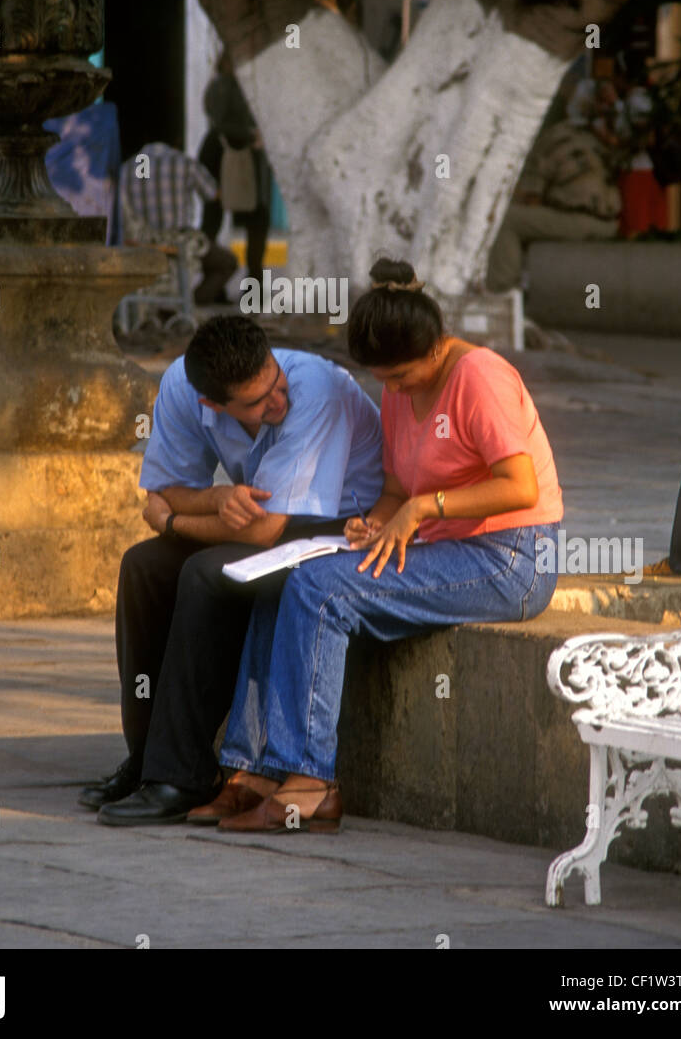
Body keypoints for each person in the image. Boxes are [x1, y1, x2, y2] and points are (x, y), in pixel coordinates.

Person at [196, 258, 563, 833]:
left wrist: (424, 508)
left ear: (437, 347)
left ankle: (310, 782)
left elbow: (520, 486)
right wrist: (373, 524)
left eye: (400, 377)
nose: (391, 390)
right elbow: (396, 488)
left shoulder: (479, 377)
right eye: (383, 380)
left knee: (321, 591)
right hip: (447, 548)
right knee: (290, 577)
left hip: (511, 557)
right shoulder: (398, 390)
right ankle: (254, 770)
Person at [78, 313, 384, 824]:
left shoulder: (315, 392)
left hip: (339, 528)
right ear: (213, 404)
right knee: (143, 567)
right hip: (262, 517)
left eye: (274, 383)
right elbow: (164, 487)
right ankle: (146, 759)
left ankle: (182, 776)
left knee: (205, 574)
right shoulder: (182, 383)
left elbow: (256, 531)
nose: (276, 402)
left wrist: (175, 521)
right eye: (258, 403)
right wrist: (214, 497)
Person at [486, 112, 621, 292]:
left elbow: (533, 199)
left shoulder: (550, 139)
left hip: (581, 221)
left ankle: (503, 289)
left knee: (507, 219)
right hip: (611, 223)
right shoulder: (588, 136)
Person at [119, 138, 237, 304]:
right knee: (227, 263)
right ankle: (190, 303)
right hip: (179, 243)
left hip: (141, 243)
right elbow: (212, 194)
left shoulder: (126, 168)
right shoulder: (184, 162)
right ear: (174, 144)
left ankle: (170, 305)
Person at [199, 52, 273, 281]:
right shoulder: (224, 85)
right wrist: (250, 135)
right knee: (217, 217)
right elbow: (221, 121)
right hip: (226, 157)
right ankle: (222, 282)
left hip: (238, 158)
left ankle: (247, 284)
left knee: (251, 219)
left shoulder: (247, 85)